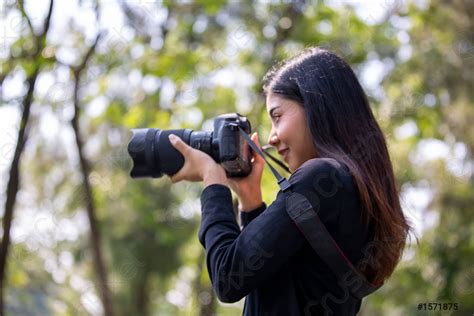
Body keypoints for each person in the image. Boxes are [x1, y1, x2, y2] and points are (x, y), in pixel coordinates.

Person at [167, 47, 411, 315]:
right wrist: (250, 203)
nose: (271, 137)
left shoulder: (322, 176)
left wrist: (213, 182)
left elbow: (228, 278)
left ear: (316, 106)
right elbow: (275, 280)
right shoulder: (352, 189)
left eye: (277, 116)